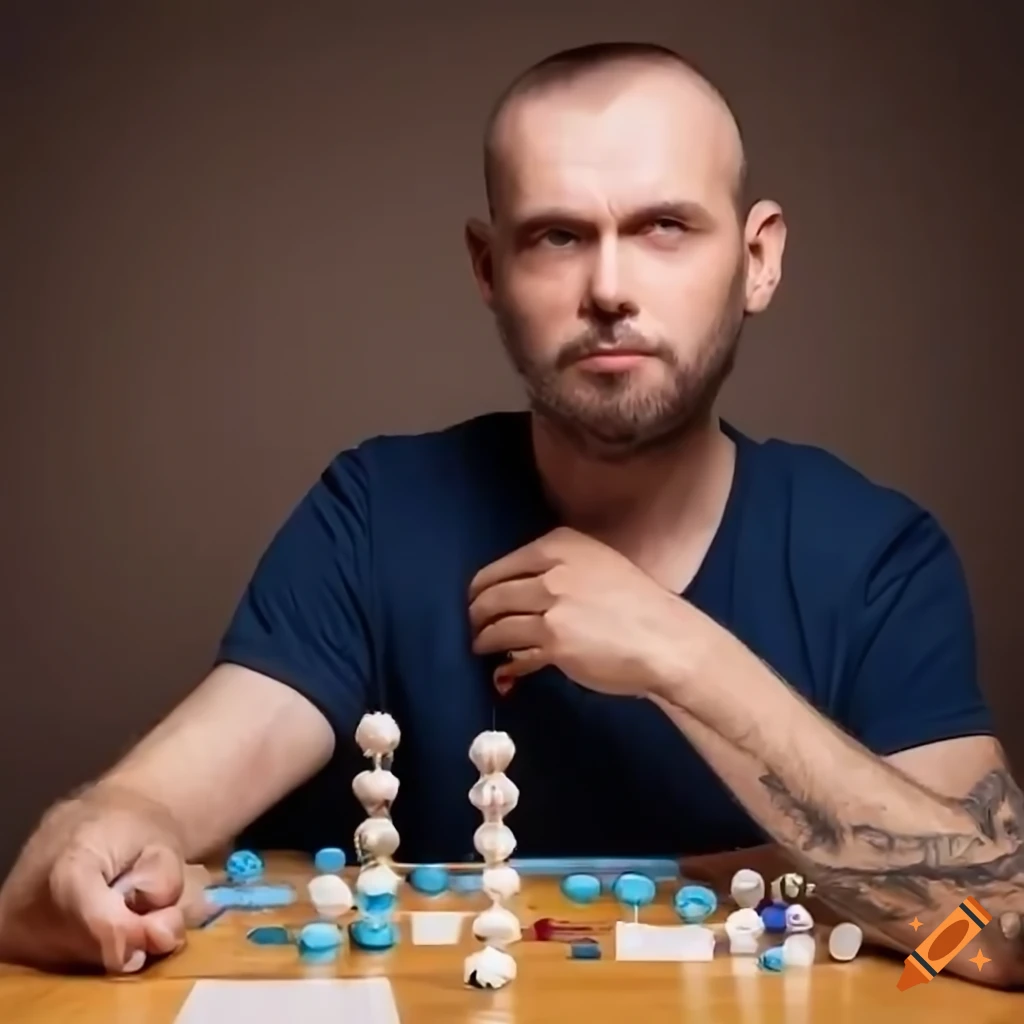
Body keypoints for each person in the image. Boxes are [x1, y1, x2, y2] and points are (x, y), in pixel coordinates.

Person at [1, 41, 1021, 986]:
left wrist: (678, 653)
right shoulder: (374, 515)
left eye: (664, 227)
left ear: (758, 258)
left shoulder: (876, 553)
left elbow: (999, 918)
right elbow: (142, 810)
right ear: (489, 269)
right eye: (556, 236)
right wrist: (82, 855)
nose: (609, 288)